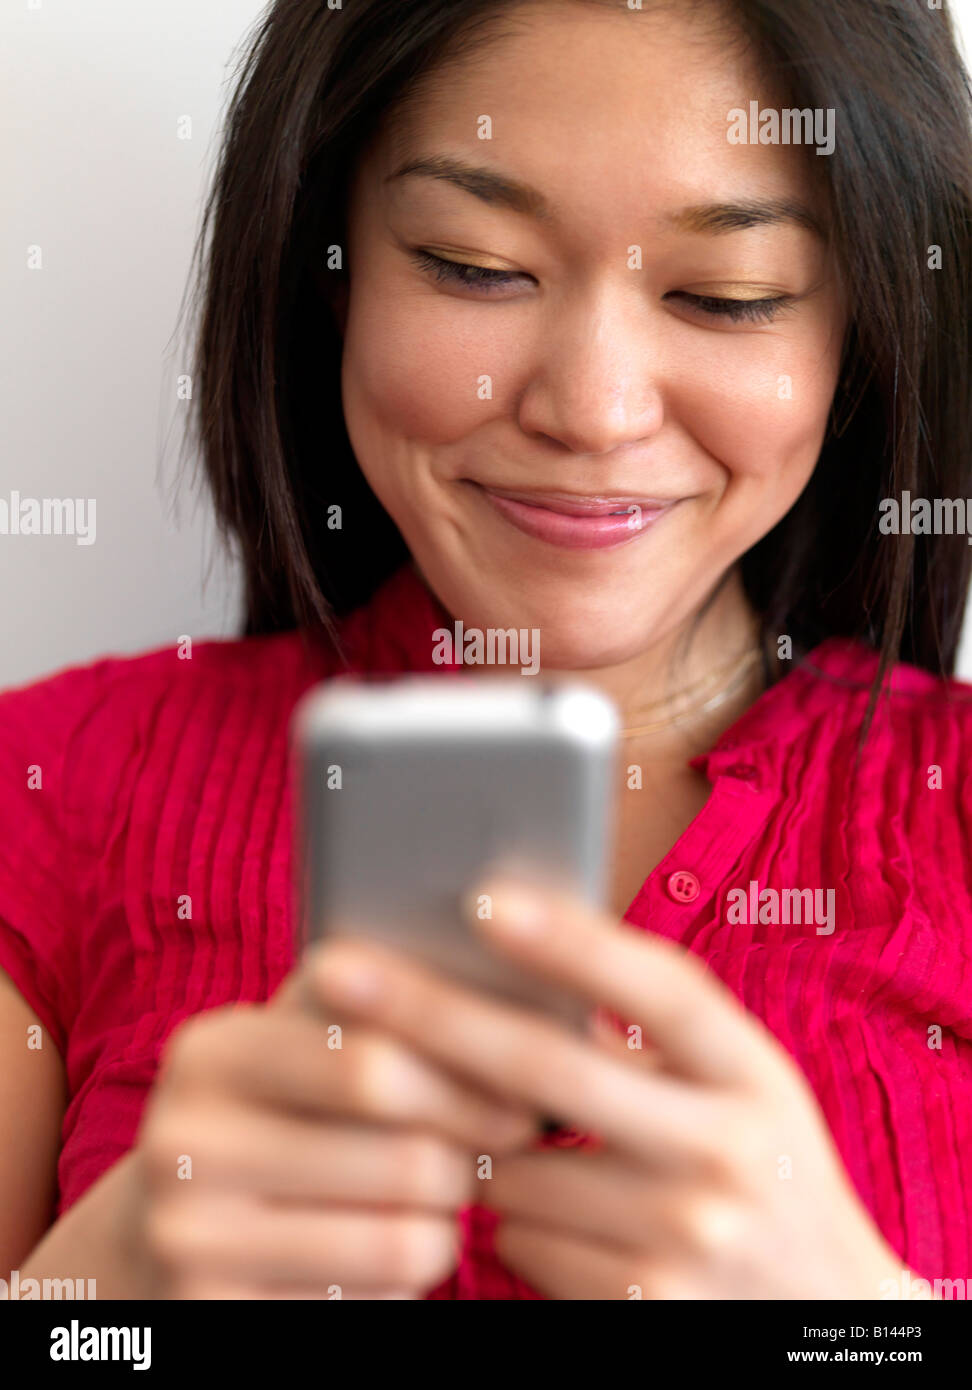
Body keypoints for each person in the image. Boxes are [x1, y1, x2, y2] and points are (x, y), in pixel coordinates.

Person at [2, 0, 971, 1300]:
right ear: (326, 268)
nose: (593, 407)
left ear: (858, 335)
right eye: (473, 265)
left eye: (727, 296)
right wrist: (100, 1301)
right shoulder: (51, 784)